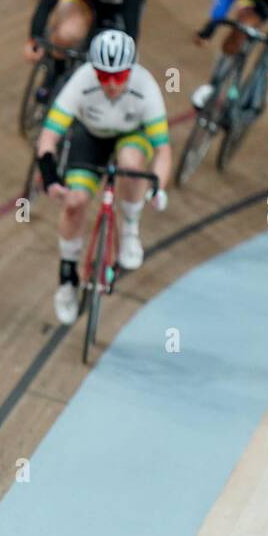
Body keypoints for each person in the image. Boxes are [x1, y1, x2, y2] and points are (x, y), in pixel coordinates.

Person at [34, 29, 170, 324]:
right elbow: (48, 136)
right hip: (90, 137)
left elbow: (163, 151)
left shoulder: (145, 86)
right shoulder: (81, 80)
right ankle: (68, 274)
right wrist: (49, 176)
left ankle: (131, 226)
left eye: (118, 77)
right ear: (93, 70)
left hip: (131, 137)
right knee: (74, 202)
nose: (110, 84)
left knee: (131, 163)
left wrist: (158, 188)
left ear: (130, 71)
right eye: (102, 75)